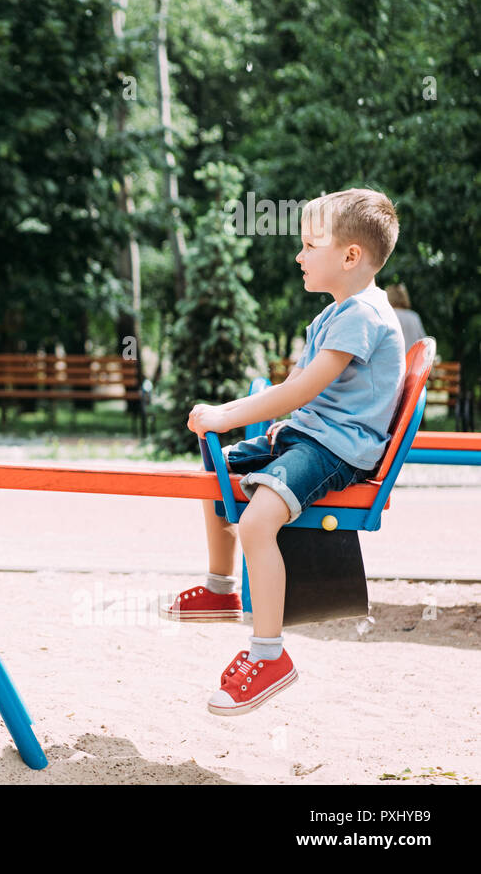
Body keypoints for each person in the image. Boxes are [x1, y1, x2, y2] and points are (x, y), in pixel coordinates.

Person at [164, 188, 405, 715]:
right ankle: (221, 588)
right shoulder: (335, 313)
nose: (298, 255)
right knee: (215, 474)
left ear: (350, 256)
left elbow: (299, 393)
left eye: (309, 244)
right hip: (307, 434)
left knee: (255, 523)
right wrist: (231, 417)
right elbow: (292, 387)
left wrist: (226, 415)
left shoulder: (361, 315)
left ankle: (269, 656)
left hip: (336, 449)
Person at [386, 283, 426, 350]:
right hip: (413, 359)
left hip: (395, 359)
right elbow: (423, 341)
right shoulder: (414, 316)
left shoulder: (388, 315)